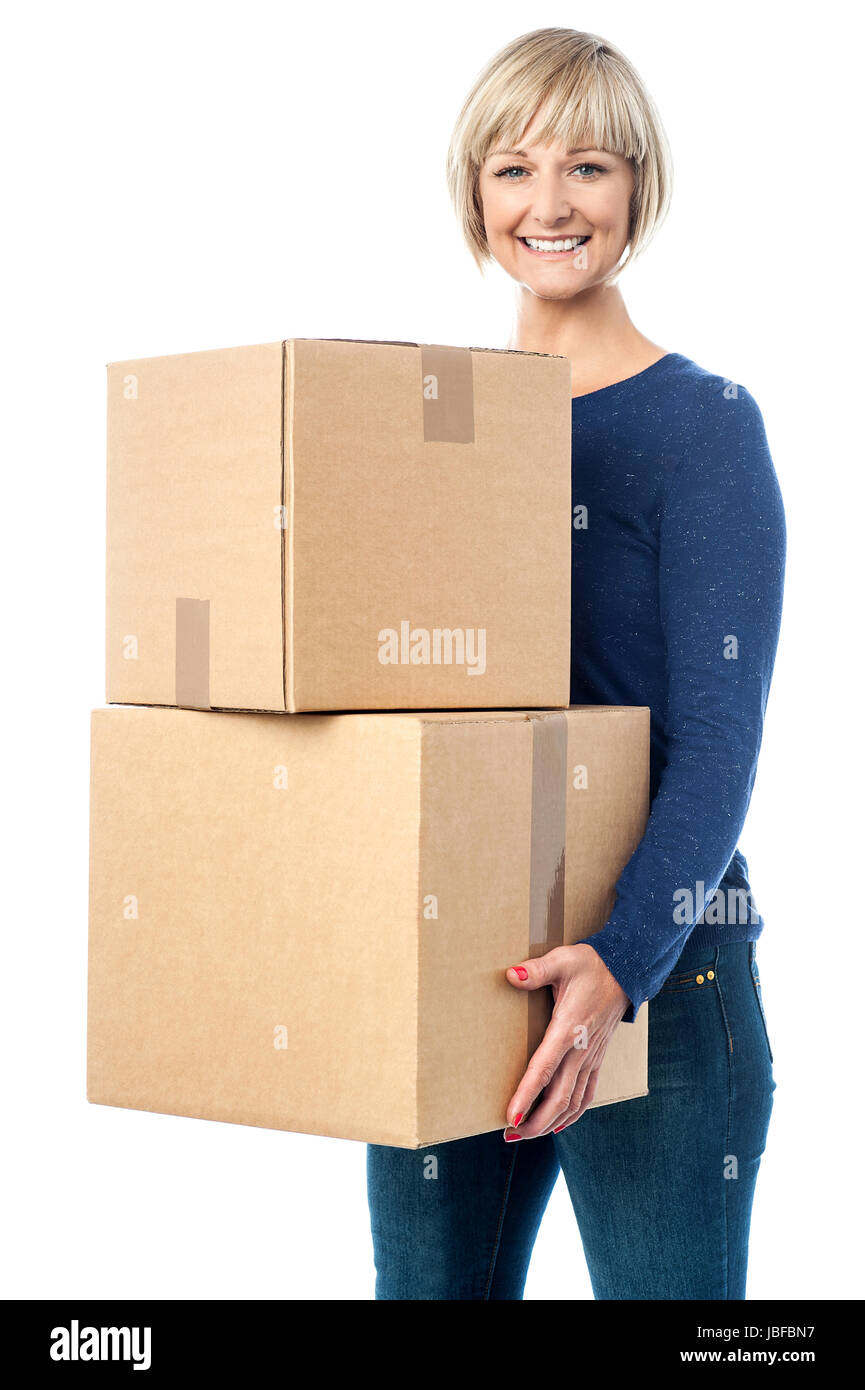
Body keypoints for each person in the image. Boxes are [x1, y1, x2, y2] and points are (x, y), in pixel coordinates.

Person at [367, 26, 785, 1300]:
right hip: (464, 957)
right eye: (511, 170)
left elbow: (719, 738)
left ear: (636, 190)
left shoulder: (700, 425)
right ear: (472, 194)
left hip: (661, 961)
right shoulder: (432, 429)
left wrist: (620, 963)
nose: (548, 205)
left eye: (589, 168)